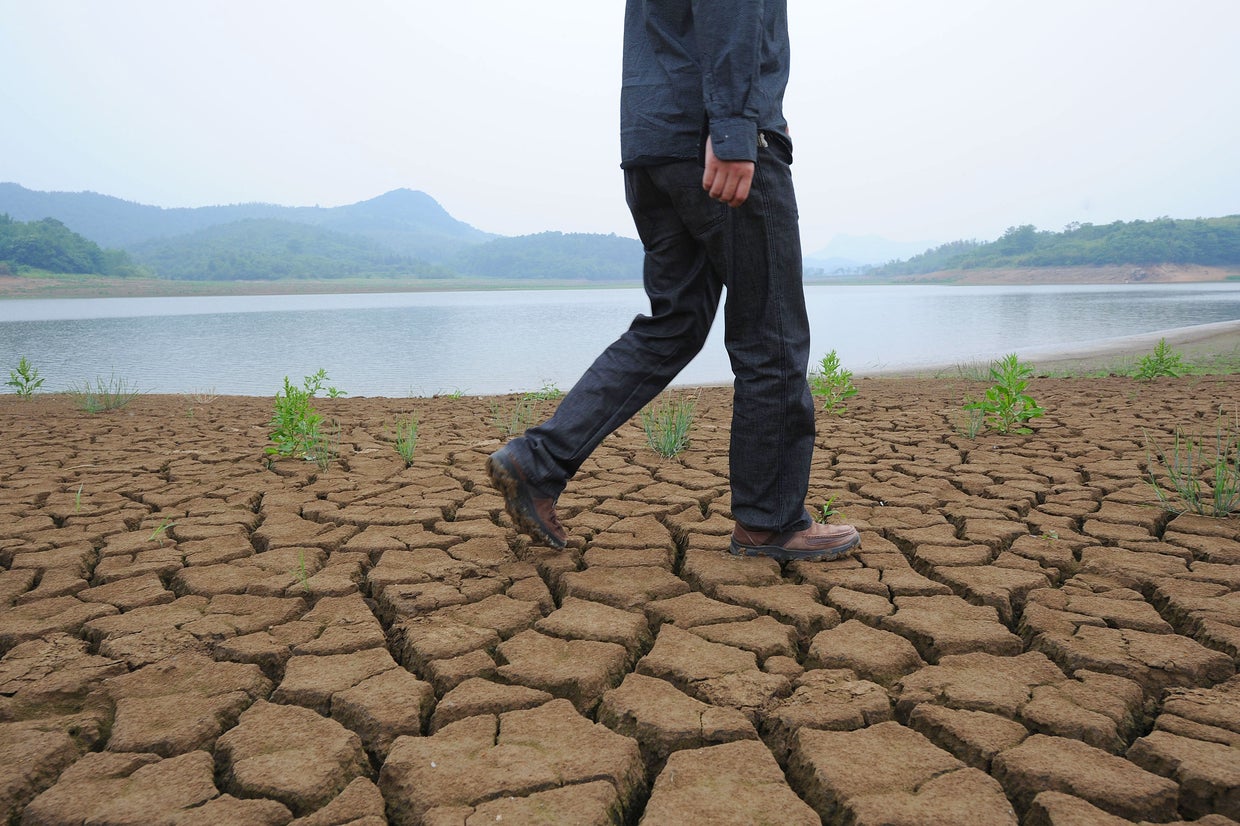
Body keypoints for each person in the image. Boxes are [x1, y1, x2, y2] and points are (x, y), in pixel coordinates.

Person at [486, 0, 860, 562]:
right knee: (772, 334)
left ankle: (536, 462)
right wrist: (735, 128)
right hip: (715, 143)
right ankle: (770, 522)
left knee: (674, 324)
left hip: (653, 146)